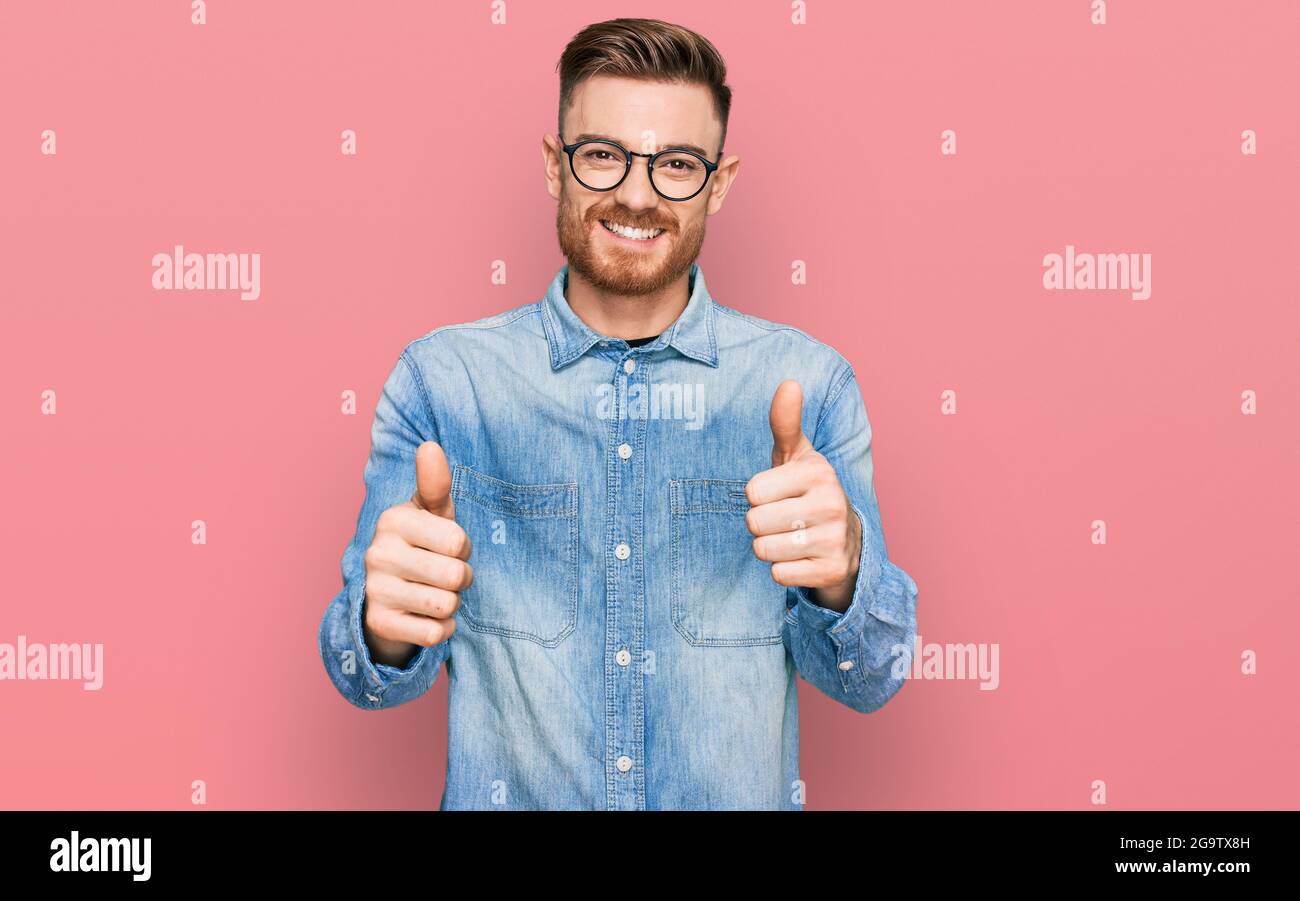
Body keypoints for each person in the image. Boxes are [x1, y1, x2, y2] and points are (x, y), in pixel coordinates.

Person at [318, 16, 918, 810]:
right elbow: (366, 681)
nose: (636, 194)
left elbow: (873, 675)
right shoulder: (444, 384)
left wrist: (843, 572)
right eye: (602, 154)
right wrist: (383, 620)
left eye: (676, 163)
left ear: (720, 180)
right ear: (553, 165)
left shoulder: (809, 386)